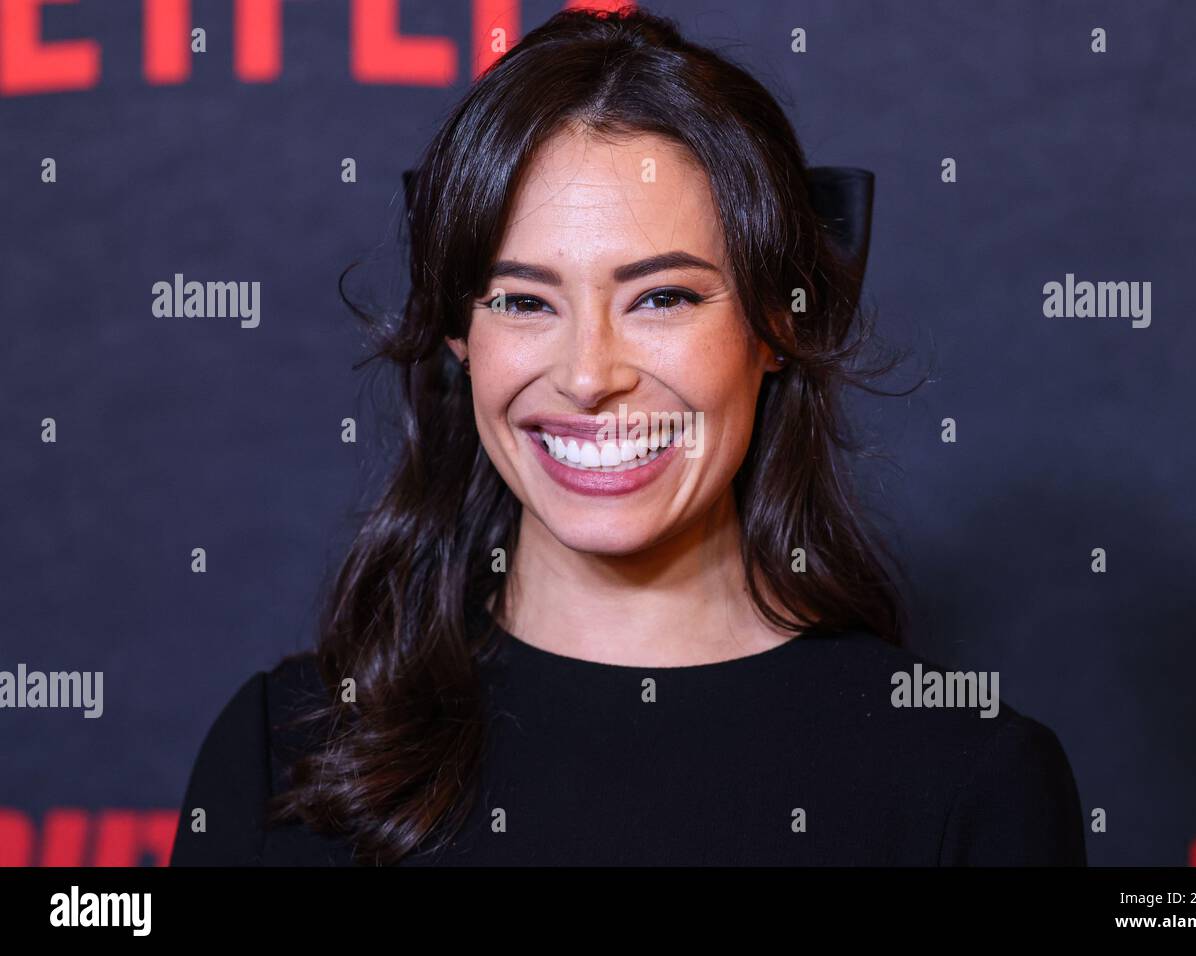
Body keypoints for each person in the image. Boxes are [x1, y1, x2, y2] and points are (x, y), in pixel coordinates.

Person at [171, 6, 1085, 866]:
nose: (587, 374)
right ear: (460, 337)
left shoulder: (970, 785)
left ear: (776, 327)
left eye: (661, 298)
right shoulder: (287, 749)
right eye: (524, 301)